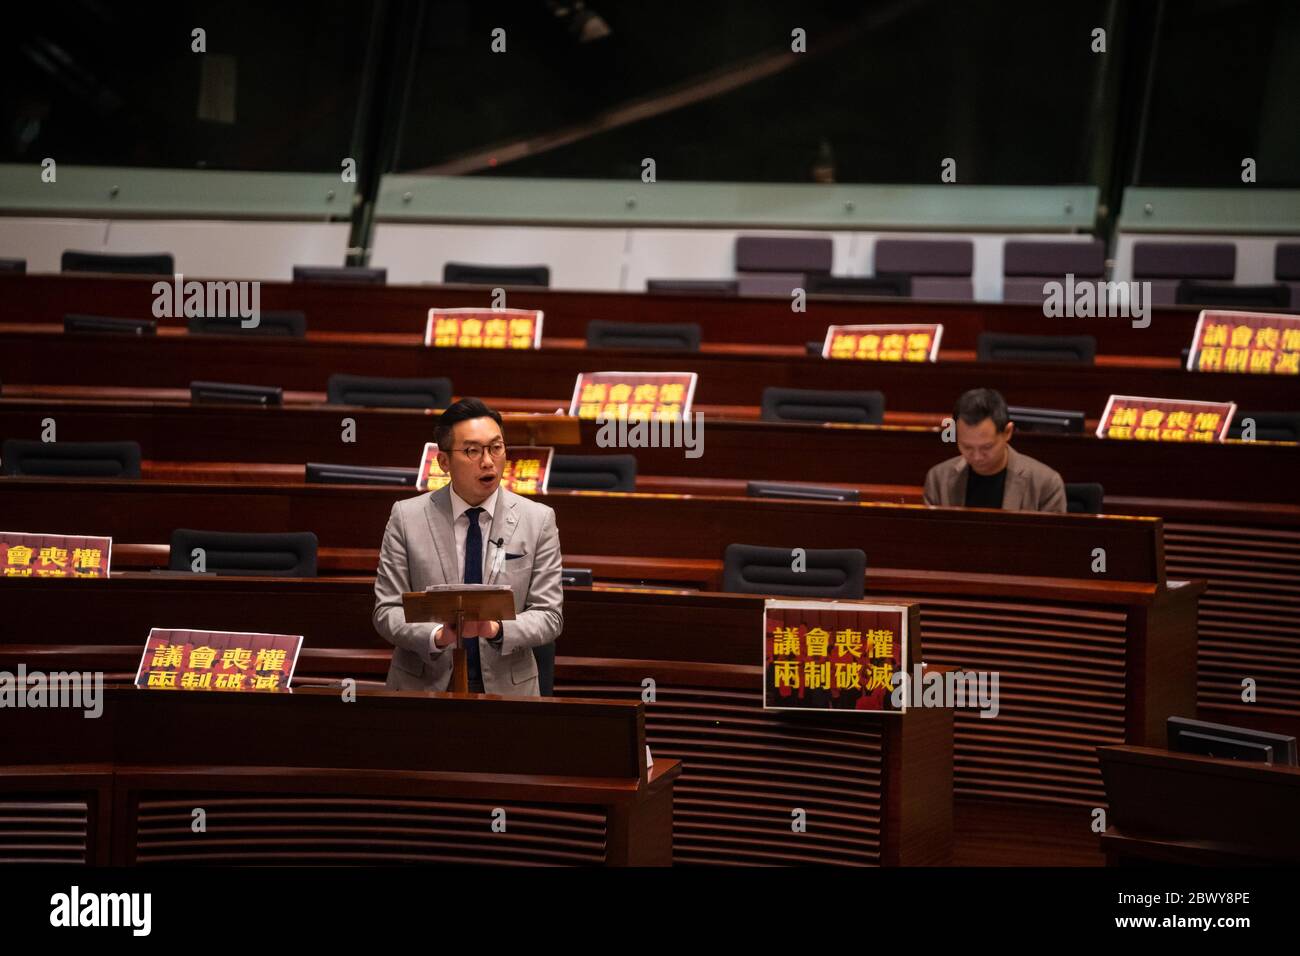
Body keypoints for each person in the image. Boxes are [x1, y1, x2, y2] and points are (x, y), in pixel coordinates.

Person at [372, 397, 563, 695]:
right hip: (422, 687)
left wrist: (495, 629)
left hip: (507, 691)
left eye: (496, 448)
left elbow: (549, 615)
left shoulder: (538, 520)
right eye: (472, 451)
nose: (487, 461)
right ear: (444, 462)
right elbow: (387, 610)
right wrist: (438, 634)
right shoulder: (407, 517)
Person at [923, 388, 1066, 512]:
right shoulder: (938, 479)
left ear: (1008, 432)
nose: (977, 457)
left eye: (987, 447)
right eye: (967, 447)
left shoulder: (1046, 484)